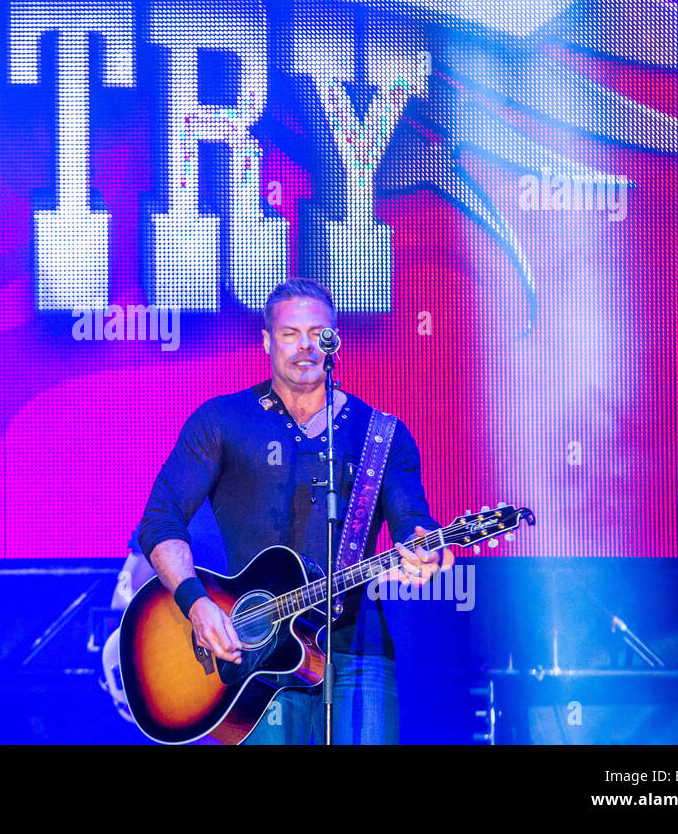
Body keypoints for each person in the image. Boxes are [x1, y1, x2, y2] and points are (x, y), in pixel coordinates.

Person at [134, 277, 453, 744]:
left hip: (356, 651)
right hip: (252, 659)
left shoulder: (380, 433)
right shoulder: (222, 420)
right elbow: (160, 520)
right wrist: (197, 605)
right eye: (290, 334)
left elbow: (413, 523)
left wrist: (428, 549)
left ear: (334, 340)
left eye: (317, 334)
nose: (305, 346)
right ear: (267, 341)